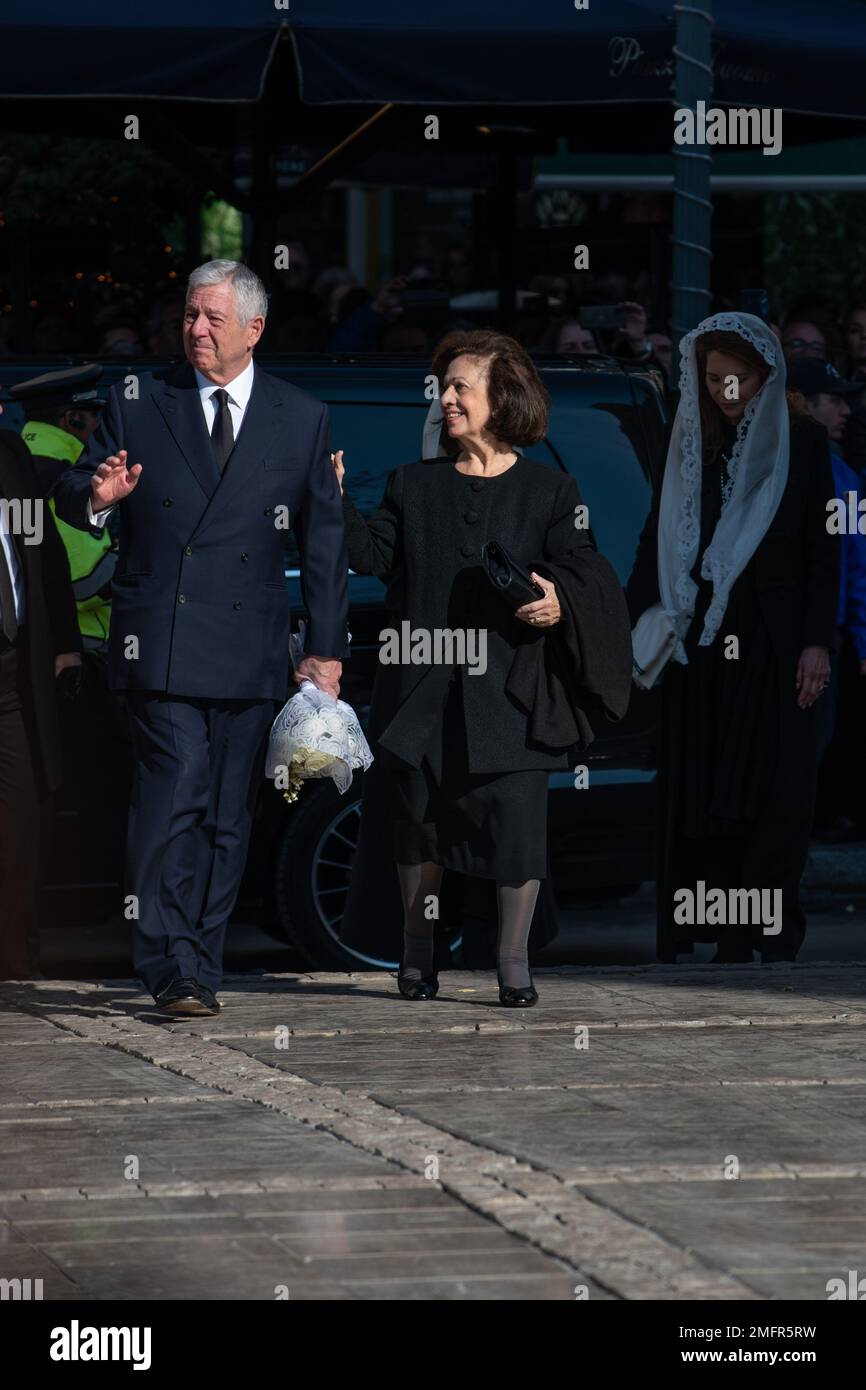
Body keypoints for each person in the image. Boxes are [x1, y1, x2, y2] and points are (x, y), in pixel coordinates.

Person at [53, 259, 348, 1017]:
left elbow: (323, 544)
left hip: (251, 646)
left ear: (255, 328)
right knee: (174, 787)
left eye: (213, 318)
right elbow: (71, 487)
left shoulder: (301, 416)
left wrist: (324, 650)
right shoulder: (140, 398)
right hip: (160, 640)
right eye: (189, 315)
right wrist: (97, 494)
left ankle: (201, 967)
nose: (196, 330)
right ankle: (166, 960)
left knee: (226, 812)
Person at [333, 329, 632, 1005]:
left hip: (515, 693)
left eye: (461, 385)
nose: (447, 398)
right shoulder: (413, 485)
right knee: (420, 830)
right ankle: (416, 958)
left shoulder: (552, 489)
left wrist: (560, 600)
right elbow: (371, 558)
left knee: (518, 830)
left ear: (504, 396)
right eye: (444, 388)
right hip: (422, 692)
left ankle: (514, 965)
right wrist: (336, 497)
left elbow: (584, 566)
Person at [628, 313, 839, 964]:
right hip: (703, 647)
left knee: (778, 792)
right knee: (709, 792)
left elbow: (821, 551)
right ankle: (719, 932)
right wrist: (641, 621)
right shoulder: (691, 442)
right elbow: (659, 537)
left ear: (764, 378)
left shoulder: (800, 443)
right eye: (714, 380)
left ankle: (768, 931)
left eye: (737, 380)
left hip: (774, 647)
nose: (726, 393)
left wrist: (816, 642)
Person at [0, 421, 81, 979]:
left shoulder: (7, 452)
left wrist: (67, 643)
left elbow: (43, 550)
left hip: (14, 674)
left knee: (23, 817)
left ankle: (12, 963)